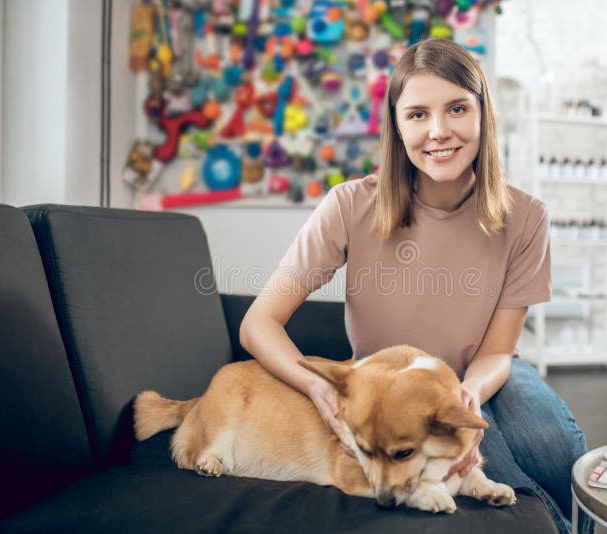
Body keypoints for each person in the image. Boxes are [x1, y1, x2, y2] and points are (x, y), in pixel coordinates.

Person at [240, 38, 588, 534]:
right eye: (418, 114)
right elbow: (258, 323)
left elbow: (498, 351)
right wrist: (318, 387)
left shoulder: (527, 217)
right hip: (395, 393)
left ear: (483, 115)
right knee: (494, 471)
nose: (439, 130)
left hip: (481, 374)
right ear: (397, 125)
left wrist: (470, 393)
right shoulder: (348, 206)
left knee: (553, 445)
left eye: (457, 109)